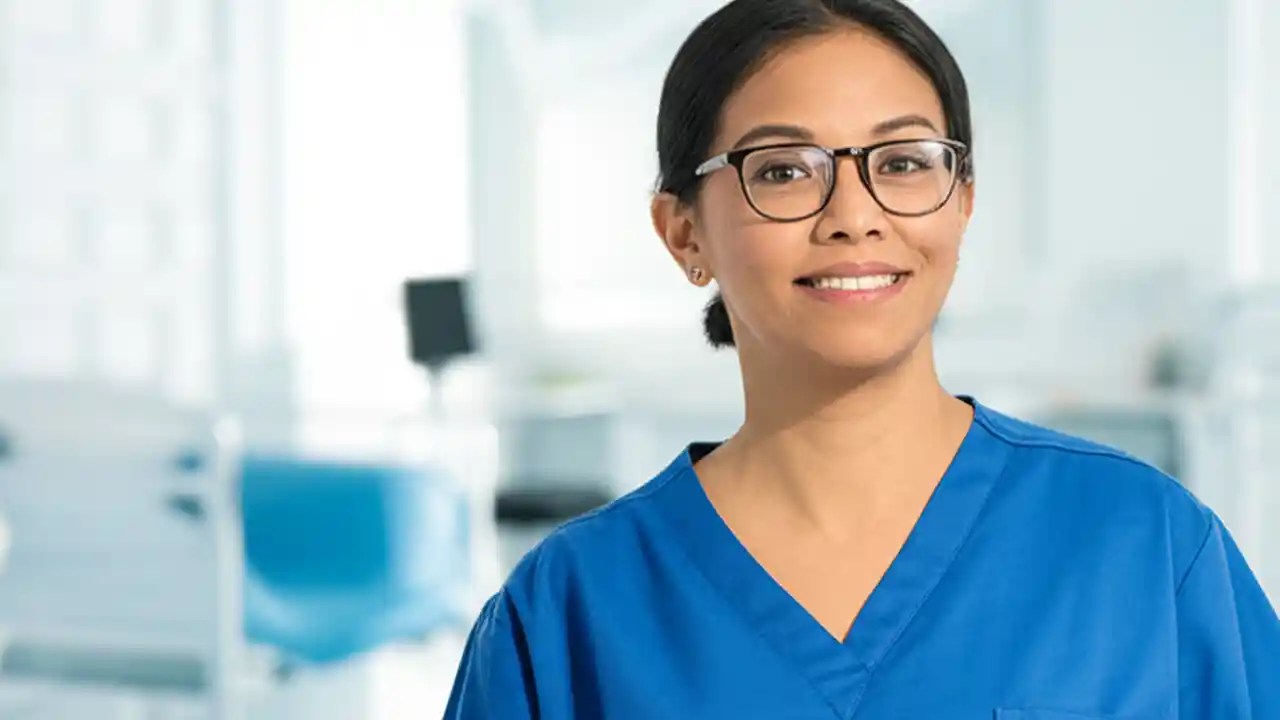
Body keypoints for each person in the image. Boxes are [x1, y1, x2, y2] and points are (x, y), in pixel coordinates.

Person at [444, 0, 1280, 717]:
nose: (855, 215)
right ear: (683, 231)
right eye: (781, 171)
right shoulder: (565, 616)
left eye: (906, 163)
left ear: (962, 204)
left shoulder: (1143, 545)